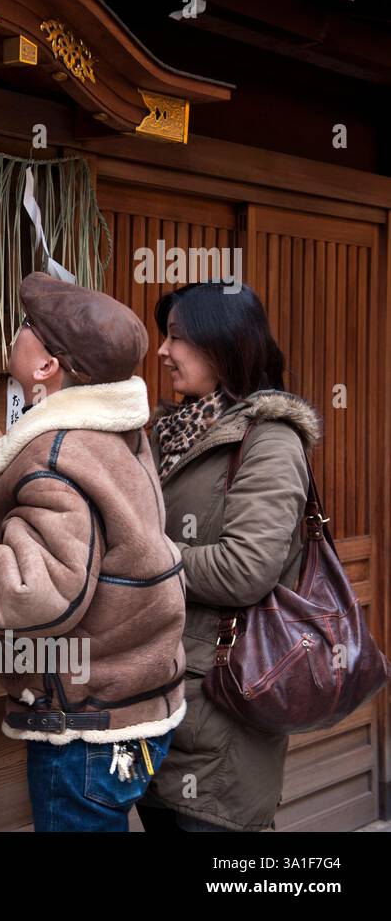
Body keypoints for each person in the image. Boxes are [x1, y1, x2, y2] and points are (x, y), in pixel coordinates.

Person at [0, 271, 187, 832]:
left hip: (83, 731)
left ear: (47, 367)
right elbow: (27, 514)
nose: (16, 333)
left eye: (28, 327)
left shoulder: (58, 452)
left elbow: (35, 588)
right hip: (137, 708)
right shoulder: (115, 436)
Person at [130, 282, 320, 832]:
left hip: (222, 713)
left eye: (177, 338)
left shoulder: (270, 441)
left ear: (222, 344)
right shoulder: (175, 433)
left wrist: (145, 557)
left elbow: (246, 570)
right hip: (163, 707)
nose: (162, 352)